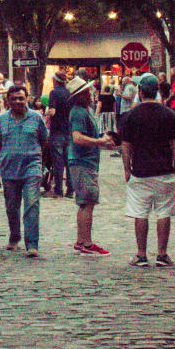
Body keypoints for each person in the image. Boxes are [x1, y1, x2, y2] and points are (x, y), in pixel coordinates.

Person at [120, 73, 175, 267]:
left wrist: (126, 169)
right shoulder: (169, 115)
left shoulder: (131, 115)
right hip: (164, 169)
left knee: (141, 213)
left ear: (140, 91)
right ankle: (162, 254)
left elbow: (125, 147)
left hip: (140, 170)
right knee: (163, 212)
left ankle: (141, 254)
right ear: (156, 91)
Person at [0, 85, 49, 257]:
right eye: (14, 98)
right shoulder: (2, 120)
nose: (18, 101)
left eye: (21, 98)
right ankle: (14, 236)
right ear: (8, 100)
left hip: (31, 168)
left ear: (27, 99)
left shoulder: (36, 117)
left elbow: (44, 140)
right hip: (9, 169)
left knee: (31, 204)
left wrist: (41, 164)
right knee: (12, 207)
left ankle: (32, 243)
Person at [68, 75, 115, 255]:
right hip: (82, 162)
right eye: (86, 91)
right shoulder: (79, 112)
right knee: (88, 201)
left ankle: (81, 241)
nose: (90, 93)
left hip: (85, 162)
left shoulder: (85, 110)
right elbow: (77, 138)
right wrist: (100, 142)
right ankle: (86, 243)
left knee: (85, 202)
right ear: (79, 96)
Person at [45, 71, 73, 197]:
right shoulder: (69, 93)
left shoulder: (54, 93)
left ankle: (58, 190)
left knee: (58, 162)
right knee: (68, 161)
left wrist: (46, 117)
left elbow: (53, 111)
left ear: (55, 81)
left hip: (57, 131)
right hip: (69, 131)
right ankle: (71, 190)